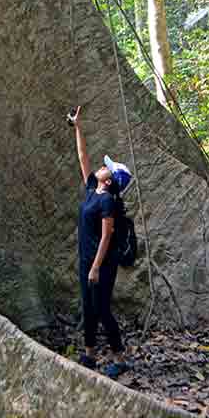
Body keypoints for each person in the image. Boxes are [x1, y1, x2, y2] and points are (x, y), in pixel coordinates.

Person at [72, 105, 130, 379]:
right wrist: (78, 127)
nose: (101, 168)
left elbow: (107, 236)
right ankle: (90, 353)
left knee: (102, 308)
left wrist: (95, 267)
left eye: (107, 169)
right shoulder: (91, 189)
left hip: (102, 264)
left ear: (111, 181)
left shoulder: (107, 200)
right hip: (86, 260)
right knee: (88, 307)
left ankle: (119, 357)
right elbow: (82, 156)